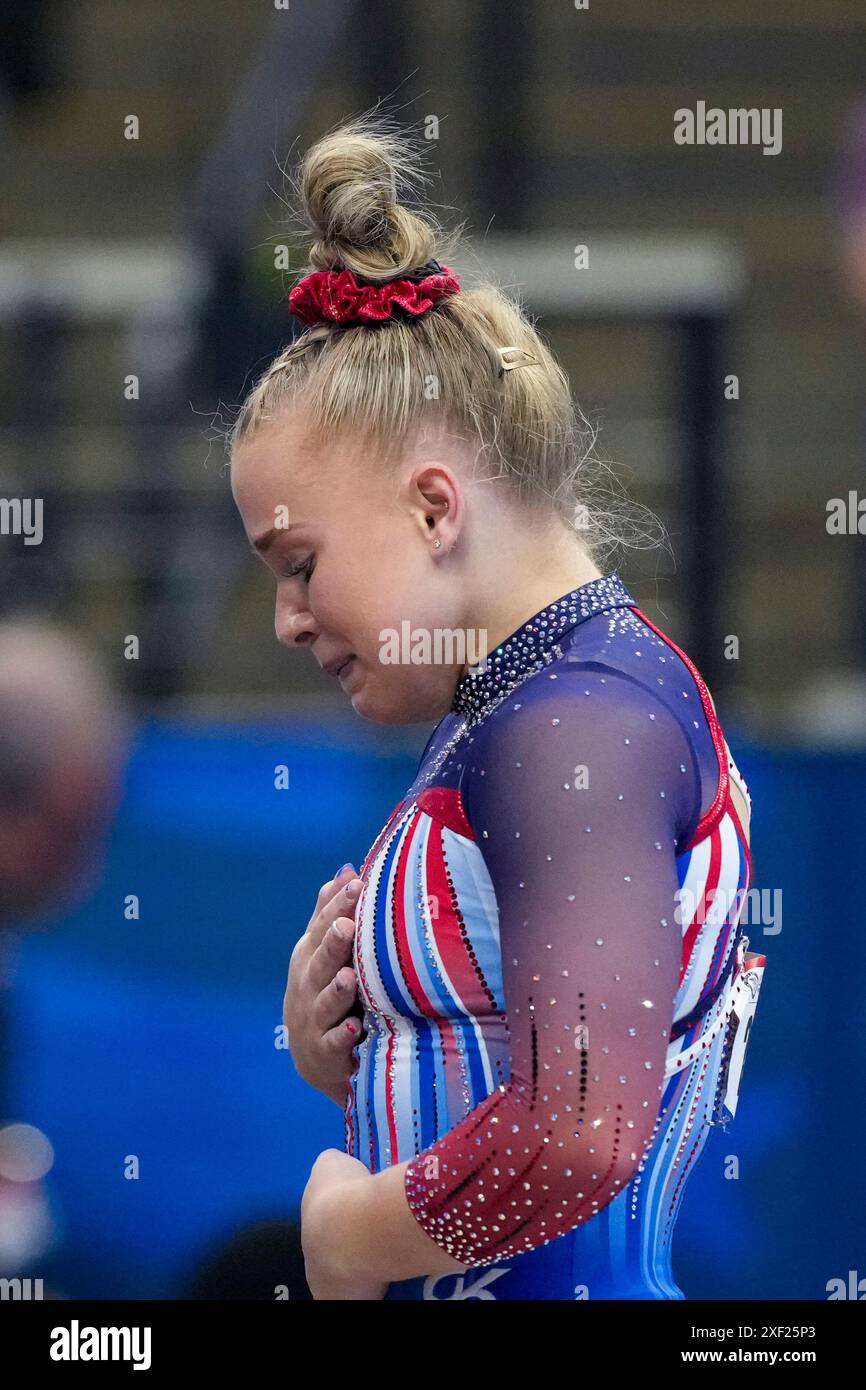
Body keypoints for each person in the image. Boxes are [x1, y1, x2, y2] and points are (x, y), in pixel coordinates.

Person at [229, 113, 766, 1300]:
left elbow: (578, 1129)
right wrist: (361, 1050)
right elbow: (525, 1076)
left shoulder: (577, 719)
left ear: (434, 508)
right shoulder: (525, 702)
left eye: (301, 565)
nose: (288, 622)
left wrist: (344, 1234)